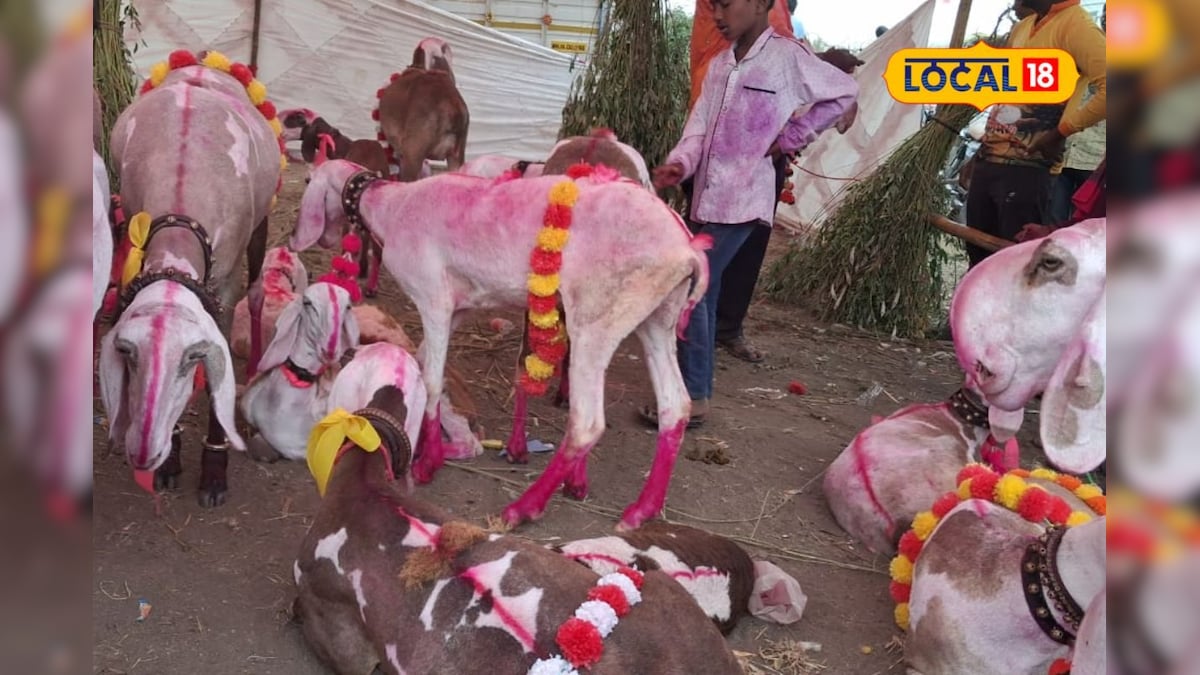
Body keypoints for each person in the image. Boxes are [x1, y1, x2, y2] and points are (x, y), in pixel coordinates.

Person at [645, 0, 857, 428]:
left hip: (744, 197)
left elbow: (845, 93)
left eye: (727, 4)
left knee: (693, 284)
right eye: (714, 6)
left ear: (762, 4)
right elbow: (698, 128)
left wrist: (794, 135)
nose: (719, 15)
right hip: (707, 192)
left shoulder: (787, 57)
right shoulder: (721, 64)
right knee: (706, 285)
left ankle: (692, 396)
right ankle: (693, 389)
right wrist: (680, 164)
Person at [963, 0, 1106, 267]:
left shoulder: (1078, 27)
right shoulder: (1024, 27)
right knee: (978, 257)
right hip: (990, 161)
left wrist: (1060, 133)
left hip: (1029, 166)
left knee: (1017, 264)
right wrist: (978, 155)